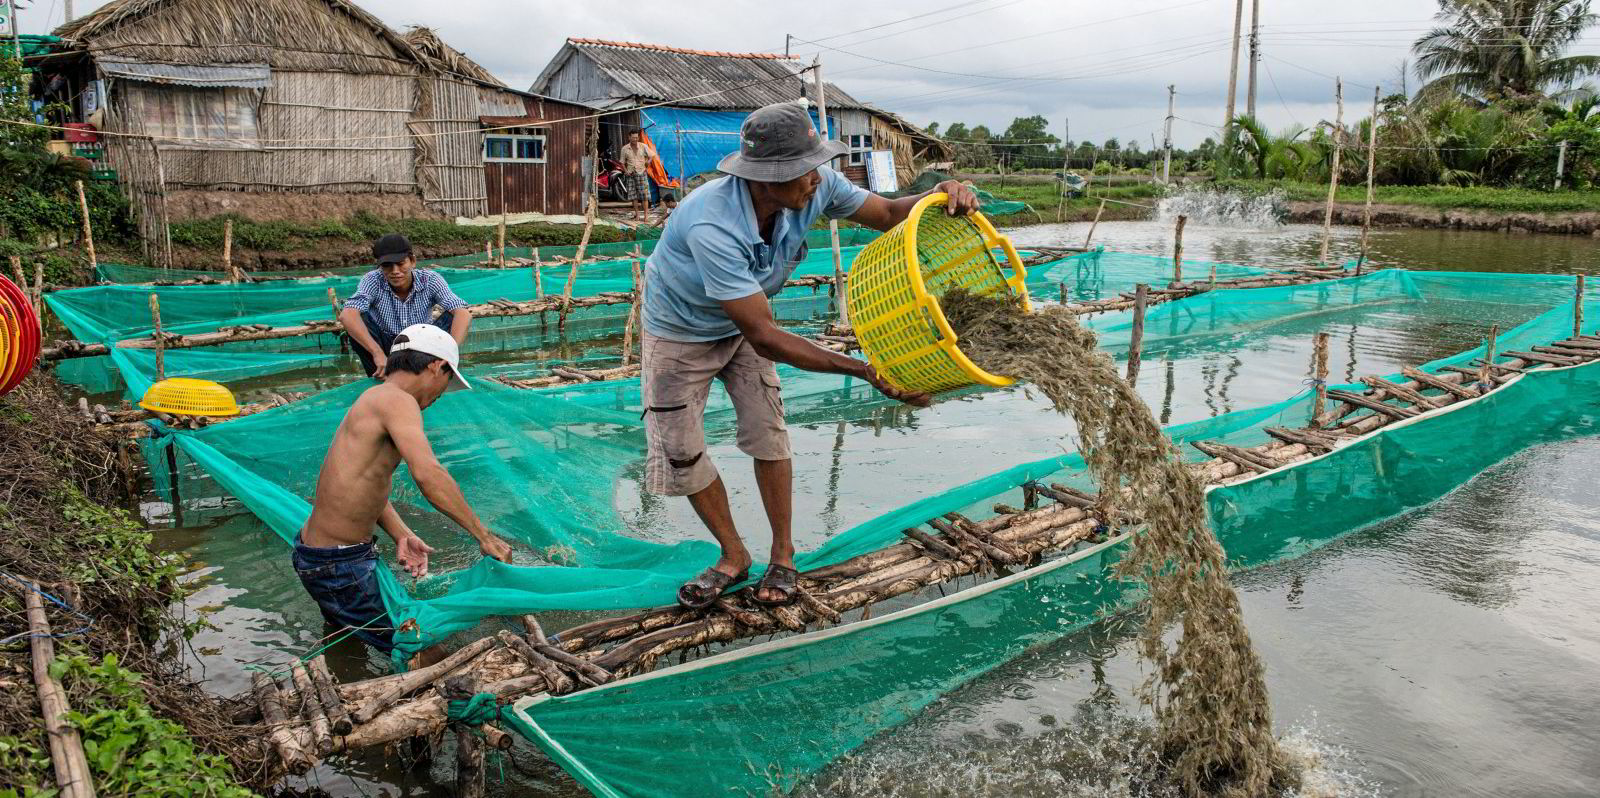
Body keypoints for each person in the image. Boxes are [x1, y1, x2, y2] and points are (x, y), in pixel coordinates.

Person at [641, 101, 980, 609]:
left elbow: (887, 213)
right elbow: (766, 337)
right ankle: (733, 556)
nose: (816, 180)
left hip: (748, 322)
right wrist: (865, 370)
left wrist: (936, 196)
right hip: (681, 331)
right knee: (682, 450)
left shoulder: (816, 183)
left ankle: (783, 557)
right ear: (766, 178)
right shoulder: (713, 225)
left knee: (767, 431)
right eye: (802, 172)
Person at [293, 324, 514, 659]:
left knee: (346, 638)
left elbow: (362, 482)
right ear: (436, 366)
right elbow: (430, 475)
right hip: (339, 564)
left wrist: (400, 533)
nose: (440, 395)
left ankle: (347, 686)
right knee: (424, 651)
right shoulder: (399, 401)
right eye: (445, 384)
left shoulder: (374, 397)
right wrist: (483, 535)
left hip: (323, 556)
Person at [340, 233, 472, 378]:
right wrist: (376, 353)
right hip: (385, 344)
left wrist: (450, 351)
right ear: (380, 267)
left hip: (420, 344)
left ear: (412, 261)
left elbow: (462, 312)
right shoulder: (373, 280)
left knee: (450, 315)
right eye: (387, 266)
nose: (395, 271)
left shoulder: (429, 279)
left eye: (401, 263)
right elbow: (347, 314)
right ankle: (380, 375)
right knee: (359, 318)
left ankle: (437, 370)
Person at [619, 130, 653, 222]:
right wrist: (625, 171)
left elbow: (651, 156)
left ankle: (646, 216)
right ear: (629, 137)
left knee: (645, 195)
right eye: (633, 137)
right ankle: (637, 215)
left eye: (636, 137)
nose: (635, 139)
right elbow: (622, 162)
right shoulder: (625, 149)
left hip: (642, 173)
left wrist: (647, 163)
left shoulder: (643, 146)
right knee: (633, 196)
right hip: (631, 174)